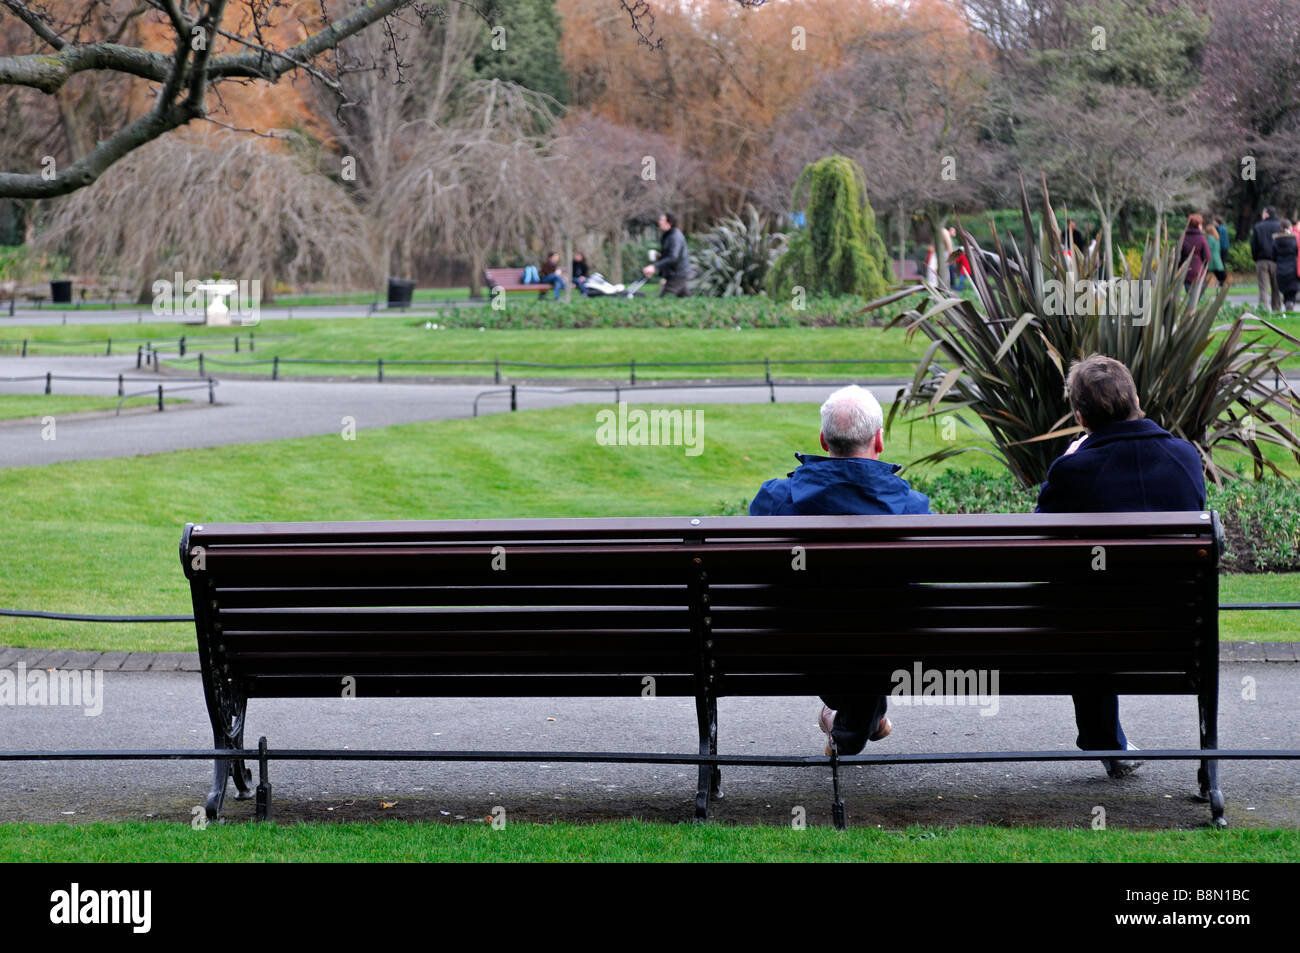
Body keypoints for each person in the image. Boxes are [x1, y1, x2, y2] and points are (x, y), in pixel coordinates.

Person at [1036, 355, 1205, 779]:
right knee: (1093, 609)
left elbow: (1040, 543)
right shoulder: (1185, 457)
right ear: (1136, 399)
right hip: (1178, 631)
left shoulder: (1073, 469)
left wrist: (1071, 458)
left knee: (1084, 609)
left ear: (1079, 416)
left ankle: (1105, 739)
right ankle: (1201, 766)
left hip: (1092, 636)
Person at [749, 385, 930, 755]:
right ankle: (855, 724)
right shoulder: (911, 508)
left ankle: (850, 724)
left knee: (844, 634)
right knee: (875, 630)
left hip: (797, 649)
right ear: (879, 441)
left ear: (822, 439)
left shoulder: (775, 500)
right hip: (885, 650)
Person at [643, 212, 690, 297]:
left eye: (662, 220)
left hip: (677, 274)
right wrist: (659, 256)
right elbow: (671, 255)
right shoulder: (668, 235)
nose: (659, 222)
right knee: (685, 297)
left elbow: (673, 257)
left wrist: (654, 267)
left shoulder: (675, 236)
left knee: (665, 298)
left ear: (669, 223)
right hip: (677, 273)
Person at [1251, 206, 1282, 311]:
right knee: (1276, 287)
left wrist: (1256, 258)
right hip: (1277, 260)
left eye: (1263, 213)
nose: (1262, 215)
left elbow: (1254, 245)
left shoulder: (1258, 226)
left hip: (1262, 259)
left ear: (1267, 214)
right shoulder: (1279, 226)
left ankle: (1264, 310)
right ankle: (1276, 309)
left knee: (1263, 287)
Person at [1178, 213, 1210, 296]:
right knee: (1199, 299)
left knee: (1189, 297)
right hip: (1198, 272)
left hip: (1186, 271)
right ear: (1199, 225)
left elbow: (1178, 256)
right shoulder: (1202, 238)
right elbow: (1207, 256)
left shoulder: (1183, 237)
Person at [1272, 220, 1299, 310]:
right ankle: (1290, 304)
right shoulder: (1294, 239)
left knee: (1285, 291)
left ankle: (1287, 304)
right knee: (1292, 291)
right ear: (1290, 227)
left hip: (1280, 269)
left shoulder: (1276, 241)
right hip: (1292, 268)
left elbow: (1273, 255)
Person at [1204, 215, 1227, 287]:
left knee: (1212, 270)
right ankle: (1223, 282)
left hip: (1213, 256)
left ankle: (1223, 281)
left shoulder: (1211, 237)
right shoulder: (1216, 237)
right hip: (1217, 254)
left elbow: (1208, 247)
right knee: (1219, 270)